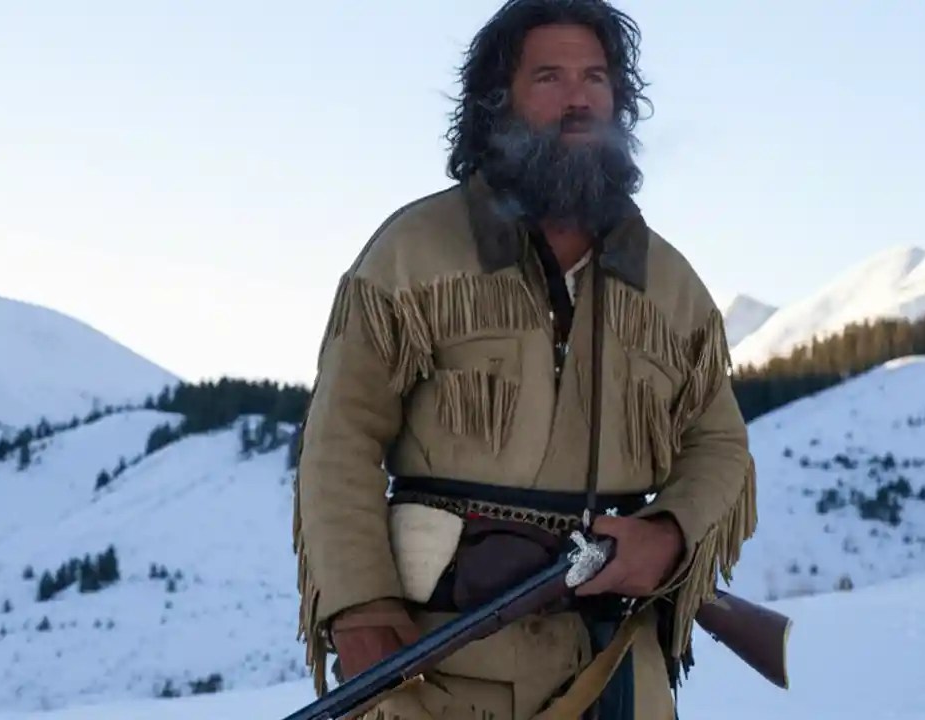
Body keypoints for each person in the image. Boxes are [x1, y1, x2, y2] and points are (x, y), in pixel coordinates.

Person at [292, 0, 757, 717]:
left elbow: (718, 442)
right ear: (496, 104)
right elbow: (340, 439)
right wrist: (358, 608)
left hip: (615, 672)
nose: (578, 99)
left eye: (596, 78)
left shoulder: (671, 285)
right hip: (438, 668)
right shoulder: (412, 253)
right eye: (549, 77)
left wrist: (666, 536)